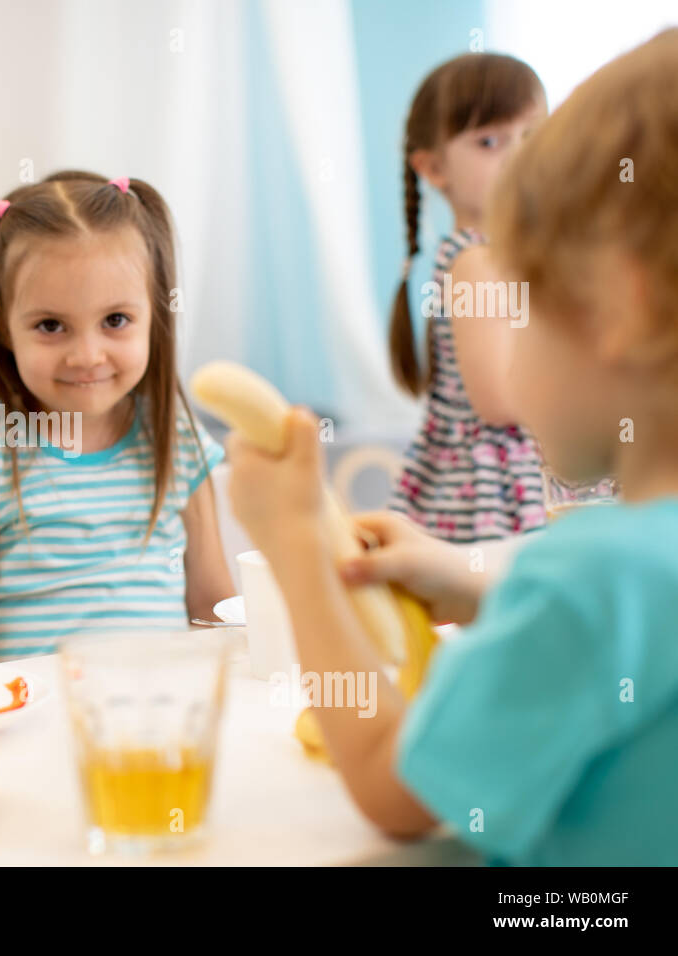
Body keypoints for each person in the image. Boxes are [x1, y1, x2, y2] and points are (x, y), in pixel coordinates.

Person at [226, 30, 678, 864]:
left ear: (618, 309)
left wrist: (293, 551)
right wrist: (474, 586)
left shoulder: (591, 576)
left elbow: (397, 794)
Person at [0, 171, 236, 661]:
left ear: (154, 314)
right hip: (30, 729)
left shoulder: (179, 445)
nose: (87, 355)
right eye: (51, 325)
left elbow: (213, 616)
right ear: (4, 326)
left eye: (115, 321)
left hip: (163, 723)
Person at [386, 52, 553, 541]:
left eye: (533, 136)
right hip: (488, 494)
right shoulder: (476, 262)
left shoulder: (504, 256)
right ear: (434, 168)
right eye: (490, 141)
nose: (520, 155)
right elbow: (498, 401)